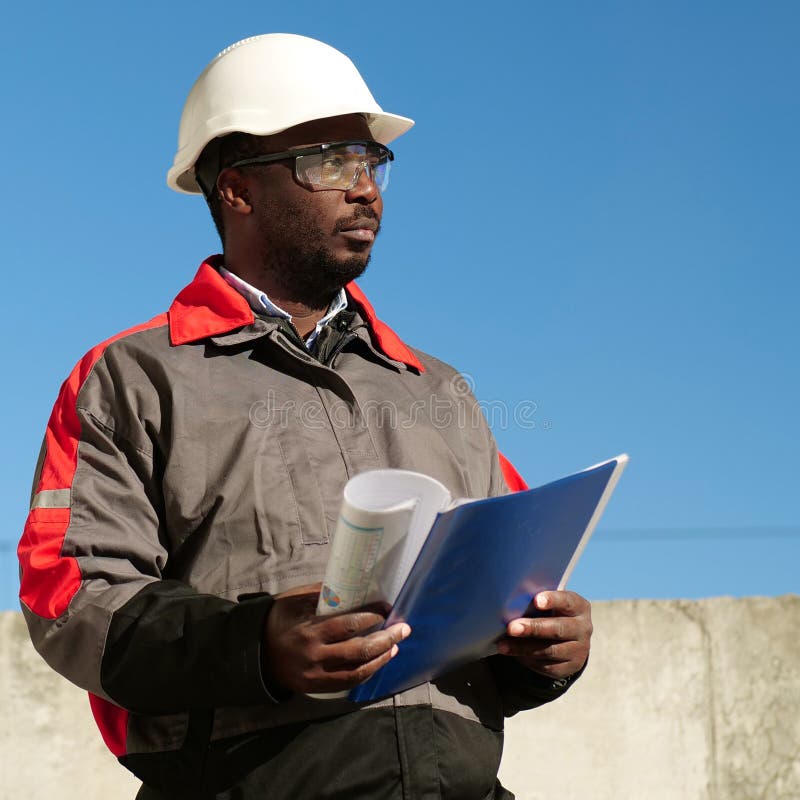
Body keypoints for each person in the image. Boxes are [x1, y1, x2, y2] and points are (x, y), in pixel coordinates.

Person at [18, 34, 592, 799]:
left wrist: (546, 648)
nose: (366, 189)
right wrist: (255, 645)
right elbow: (71, 596)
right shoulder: (133, 377)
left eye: (373, 163)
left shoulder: (439, 390)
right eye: (332, 162)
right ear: (238, 189)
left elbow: (509, 584)